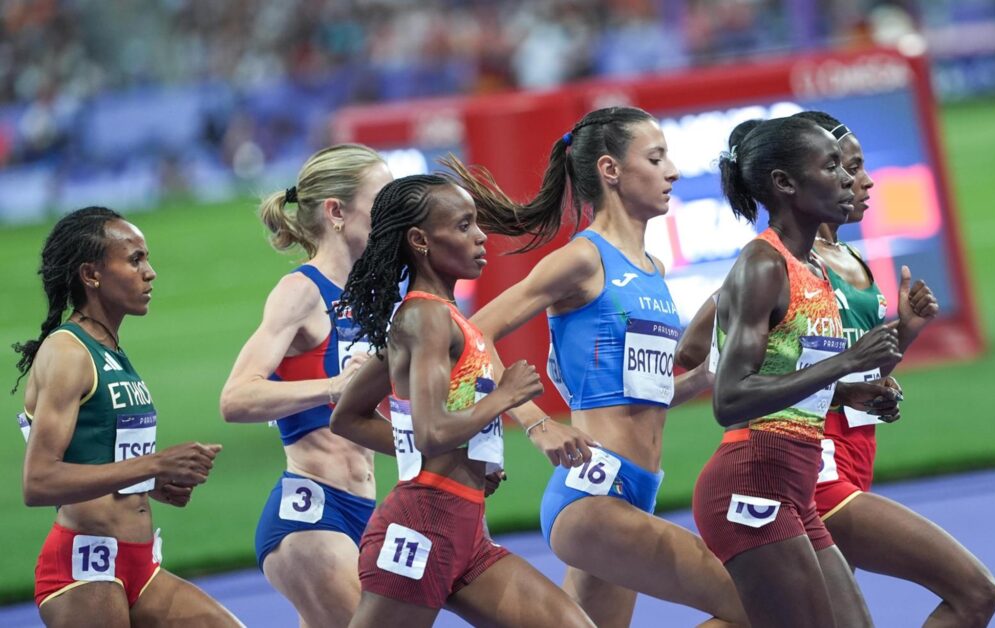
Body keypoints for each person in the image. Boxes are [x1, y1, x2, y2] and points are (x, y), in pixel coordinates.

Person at [442, 106, 749, 627]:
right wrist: (536, 423)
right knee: (760, 606)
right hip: (593, 495)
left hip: (635, 491)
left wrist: (699, 378)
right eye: (655, 158)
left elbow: (639, 394)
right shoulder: (584, 259)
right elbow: (469, 333)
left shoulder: (653, 268)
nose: (672, 171)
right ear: (609, 170)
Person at [330, 174, 595, 627]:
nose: (480, 236)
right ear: (420, 240)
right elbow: (431, 432)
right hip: (422, 526)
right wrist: (504, 397)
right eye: (464, 226)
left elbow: (349, 418)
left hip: (465, 531)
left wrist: (466, 456)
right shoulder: (424, 316)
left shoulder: (434, 316)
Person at [690, 115, 907, 627]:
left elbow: (787, 377)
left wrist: (849, 391)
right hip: (751, 482)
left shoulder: (812, 268)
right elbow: (731, 399)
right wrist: (846, 362)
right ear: (785, 184)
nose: (848, 180)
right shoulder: (763, 265)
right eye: (831, 167)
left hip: (793, 486)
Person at [795, 110, 995, 626]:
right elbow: (749, 377)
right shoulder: (786, 262)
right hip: (817, 470)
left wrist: (905, 332)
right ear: (819, 171)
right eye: (852, 167)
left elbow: (853, 372)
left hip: (854, 456)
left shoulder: (850, 259)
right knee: (975, 593)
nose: (864, 181)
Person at [12, 206, 239, 627]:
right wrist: (153, 463)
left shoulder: (110, 350)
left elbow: (96, 456)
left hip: (139, 563)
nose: (149, 272)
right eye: (135, 259)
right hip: (86, 568)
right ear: (91, 274)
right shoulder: (68, 352)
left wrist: (152, 482)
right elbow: (38, 481)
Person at [219, 144, 393, 626]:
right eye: (383, 201)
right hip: (310, 516)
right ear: (336, 212)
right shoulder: (300, 292)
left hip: (361, 512)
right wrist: (333, 386)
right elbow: (236, 398)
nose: (394, 214)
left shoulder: (368, 295)